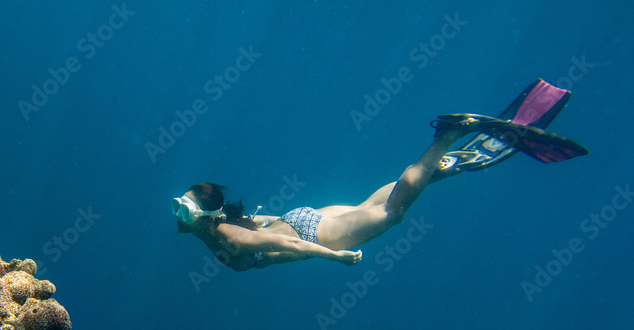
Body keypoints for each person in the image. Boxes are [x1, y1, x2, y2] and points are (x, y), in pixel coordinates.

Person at [173, 106, 590, 271]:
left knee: (393, 212)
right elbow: (263, 226)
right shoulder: (224, 225)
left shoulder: (225, 234)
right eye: (180, 208)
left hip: (315, 233)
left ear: (205, 216)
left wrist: (333, 256)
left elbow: (291, 248)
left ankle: (444, 139)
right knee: (373, 201)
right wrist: (273, 221)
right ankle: (441, 168)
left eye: (185, 210)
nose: (180, 215)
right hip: (305, 216)